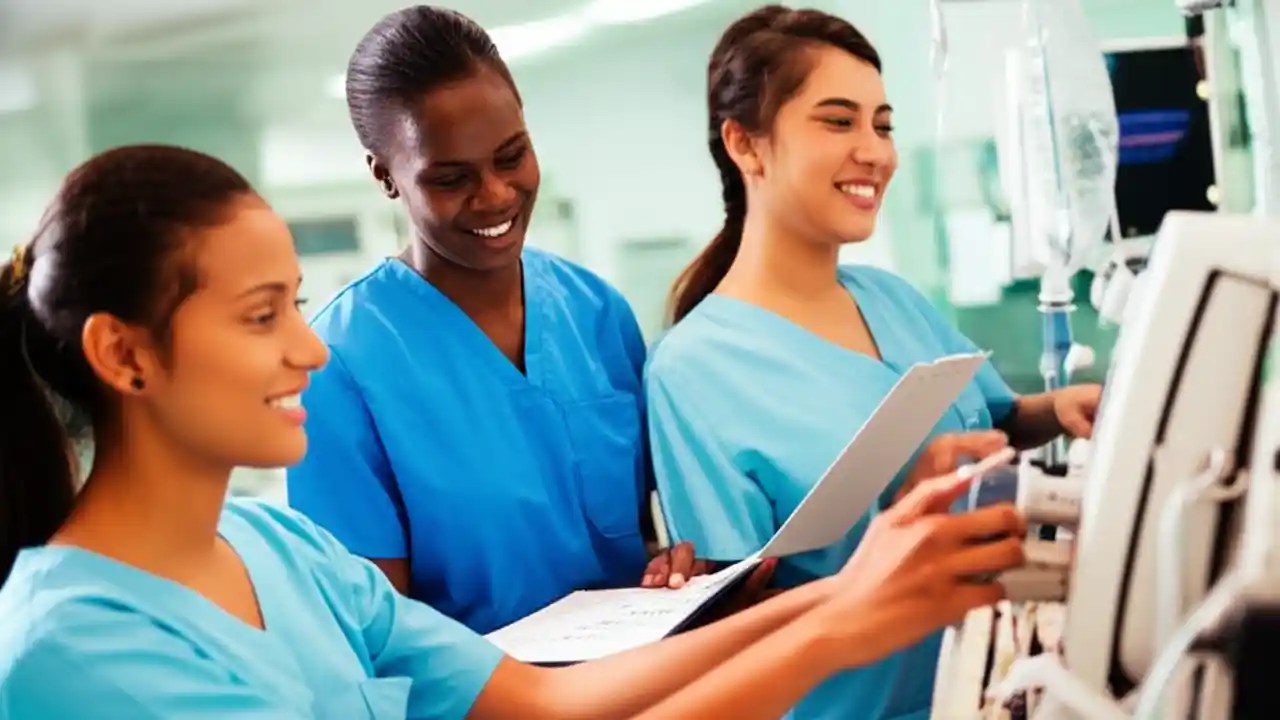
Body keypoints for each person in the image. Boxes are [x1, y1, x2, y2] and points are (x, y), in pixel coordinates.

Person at [0, 143, 1026, 719]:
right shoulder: (78, 654)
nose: (311, 351)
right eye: (262, 316)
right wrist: (840, 629)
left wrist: (853, 588)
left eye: (296, 305)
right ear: (124, 355)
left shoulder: (284, 552)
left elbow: (546, 708)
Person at [646, 6, 1104, 720]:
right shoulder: (695, 369)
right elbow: (729, 622)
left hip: (984, 685)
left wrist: (1063, 410)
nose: (876, 151)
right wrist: (899, 511)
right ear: (746, 144)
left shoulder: (891, 298)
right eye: (838, 121)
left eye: (882, 124)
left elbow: (996, 423)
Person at [284, 5, 726, 636]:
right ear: (386, 176)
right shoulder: (339, 364)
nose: (494, 194)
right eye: (451, 178)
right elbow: (370, 631)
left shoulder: (596, 315)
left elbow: (644, 540)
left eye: (511, 156)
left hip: (643, 685)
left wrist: (671, 571)